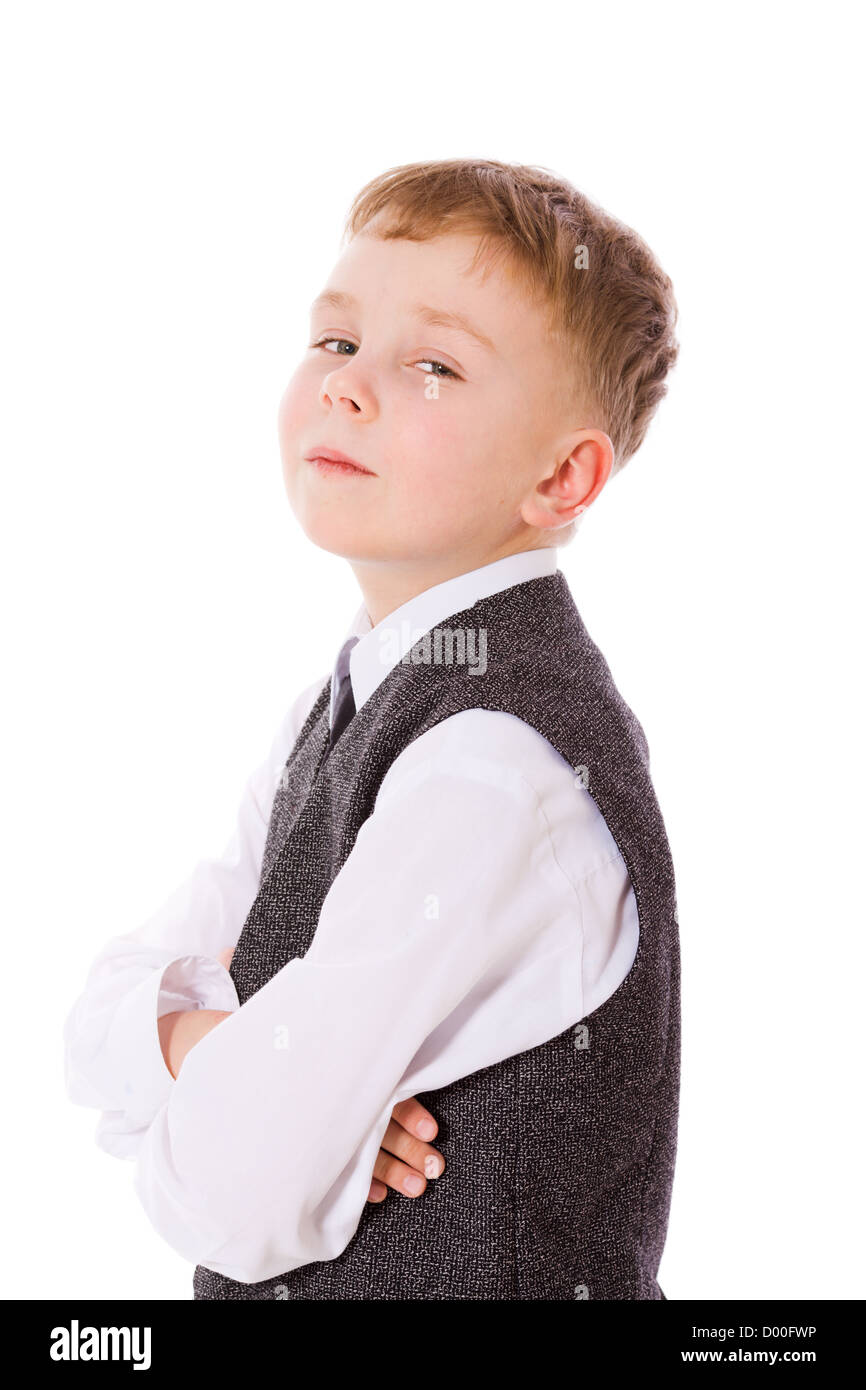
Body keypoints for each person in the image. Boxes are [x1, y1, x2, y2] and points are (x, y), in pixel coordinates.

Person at [64, 157, 681, 1300]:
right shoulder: (343, 705)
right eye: (336, 341)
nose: (347, 388)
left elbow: (233, 1196)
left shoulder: (494, 761)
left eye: (433, 365)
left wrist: (249, 1092)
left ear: (560, 475)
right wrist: (217, 1055)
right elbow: (94, 1022)